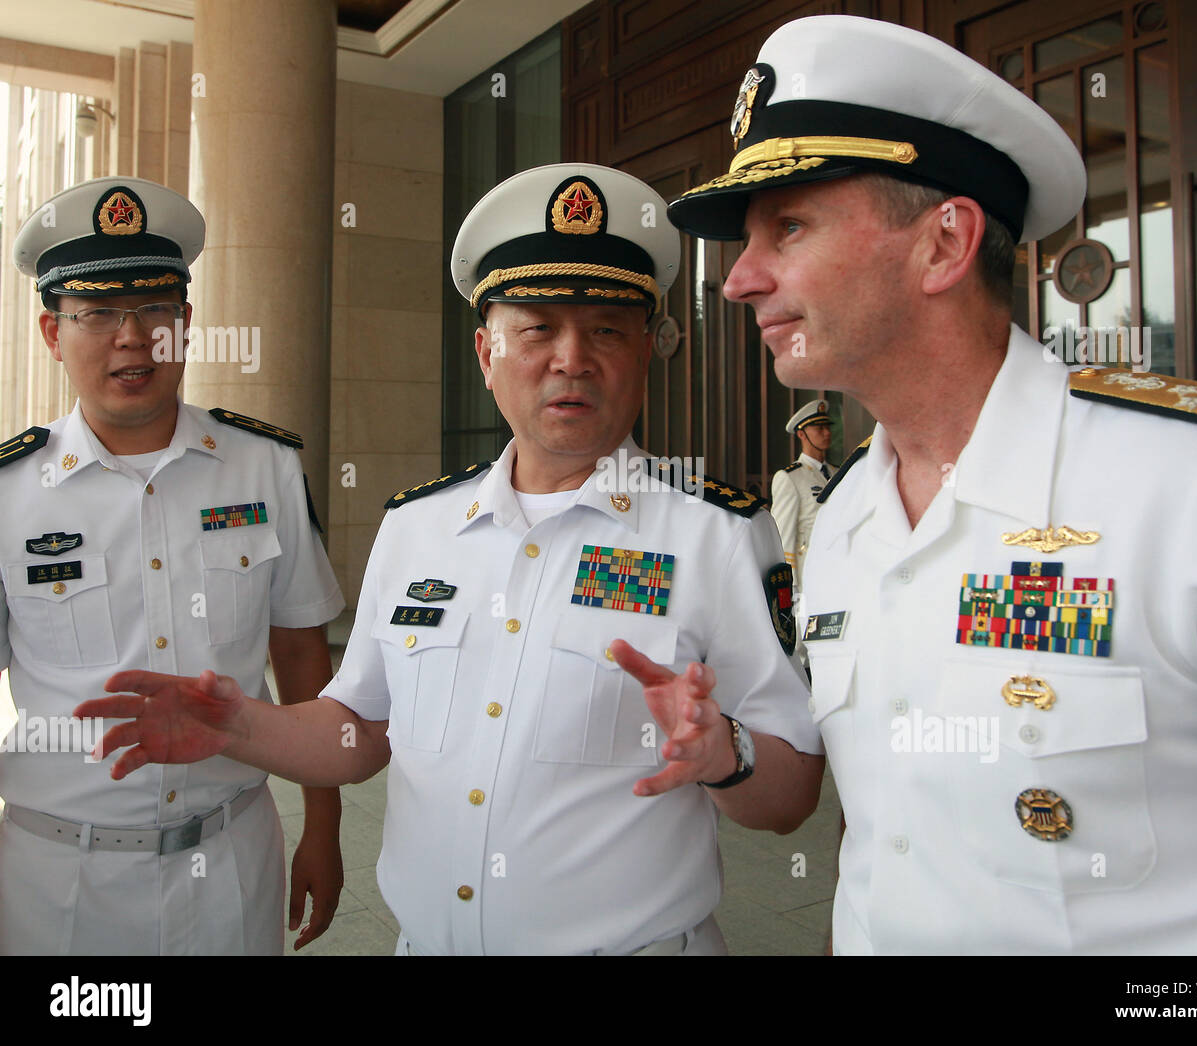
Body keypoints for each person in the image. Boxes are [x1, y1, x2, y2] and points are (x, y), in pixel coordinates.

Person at [668, 15, 1197, 953]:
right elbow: (891, 839)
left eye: (787, 228)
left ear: (942, 243)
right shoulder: (845, 525)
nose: (739, 281)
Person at [80, 163, 826, 956]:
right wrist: (239, 724)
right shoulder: (419, 527)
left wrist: (725, 754)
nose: (572, 358)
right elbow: (358, 731)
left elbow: (791, 795)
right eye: (536, 327)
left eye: (607, 328)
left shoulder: (712, 533)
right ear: (485, 352)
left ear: (647, 350)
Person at [1, 176, 345, 955]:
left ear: (185, 326)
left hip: (229, 864)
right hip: (57, 880)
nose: (132, 337)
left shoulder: (264, 468)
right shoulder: (10, 494)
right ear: (54, 333)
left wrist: (321, 827)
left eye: (156, 309)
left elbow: (301, 654)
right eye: (97, 313)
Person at [770, 399, 835, 593]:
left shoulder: (837, 473)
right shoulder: (790, 477)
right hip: (808, 571)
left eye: (827, 427)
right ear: (801, 434)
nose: (827, 433)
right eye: (819, 428)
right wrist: (791, 585)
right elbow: (783, 534)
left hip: (836, 567)